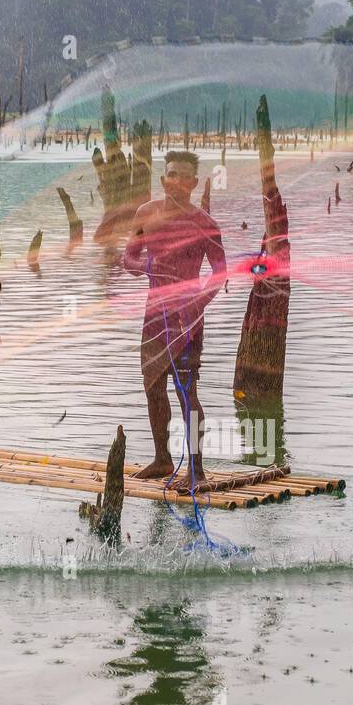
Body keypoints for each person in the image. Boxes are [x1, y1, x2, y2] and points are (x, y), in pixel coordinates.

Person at [122, 150, 227, 482]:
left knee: (186, 390)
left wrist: (197, 304)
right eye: (170, 175)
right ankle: (162, 459)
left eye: (184, 177)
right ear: (162, 179)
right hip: (154, 315)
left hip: (187, 318)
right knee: (153, 386)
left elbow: (221, 273)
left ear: (194, 183)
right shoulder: (146, 213)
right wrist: (144, 267)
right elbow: (128, 256)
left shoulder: (204, 224)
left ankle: (196, 471)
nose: (176, 182)